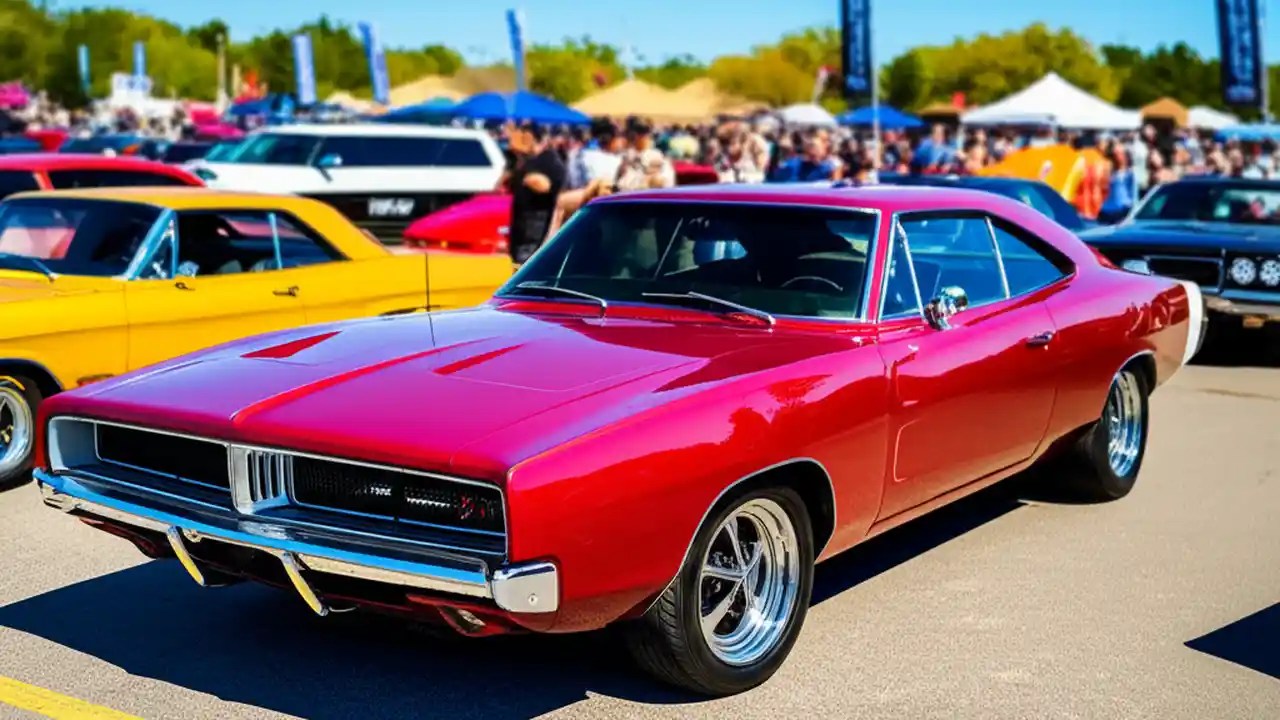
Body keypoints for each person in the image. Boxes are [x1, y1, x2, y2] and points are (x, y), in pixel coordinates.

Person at [506, 121, 567, 265]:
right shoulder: (527, 161)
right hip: (523, 231)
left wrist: (528, 178)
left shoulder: (548, 160)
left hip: (534, 232)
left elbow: (546, 186)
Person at [769, 131, 837, 182]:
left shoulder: (829, 167)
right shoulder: (793, 164)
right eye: (811, 146)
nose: (813, 151)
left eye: (816, 147)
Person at [1098, 144, 1137, 224]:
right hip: (1107, 211)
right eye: (1114, 154)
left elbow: (1134, 195)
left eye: (1119, 154)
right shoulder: (1110, 173)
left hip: (1123, 212)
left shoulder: (1130, 174)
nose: (1116, 157)